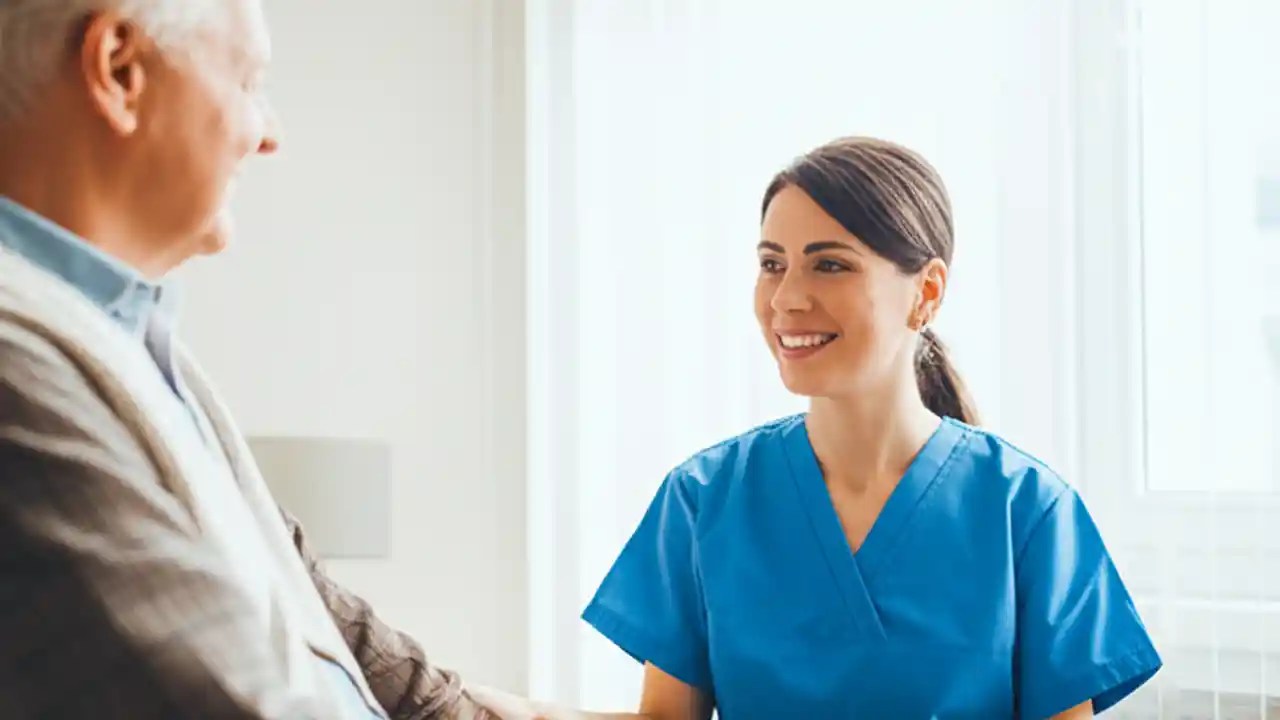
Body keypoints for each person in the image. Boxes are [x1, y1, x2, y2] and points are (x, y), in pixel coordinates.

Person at [0, 1, 527, 718]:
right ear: (120, 70)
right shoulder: (19, 370)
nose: (269, 134)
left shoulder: (146, 356)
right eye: (249, 83)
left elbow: (351, 642)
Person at [581, 136, 1163, 719]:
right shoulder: (703, 500)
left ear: (926, 292)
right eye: (771, 264)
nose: (786, 298)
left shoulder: (1028, 511)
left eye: (829, 265)